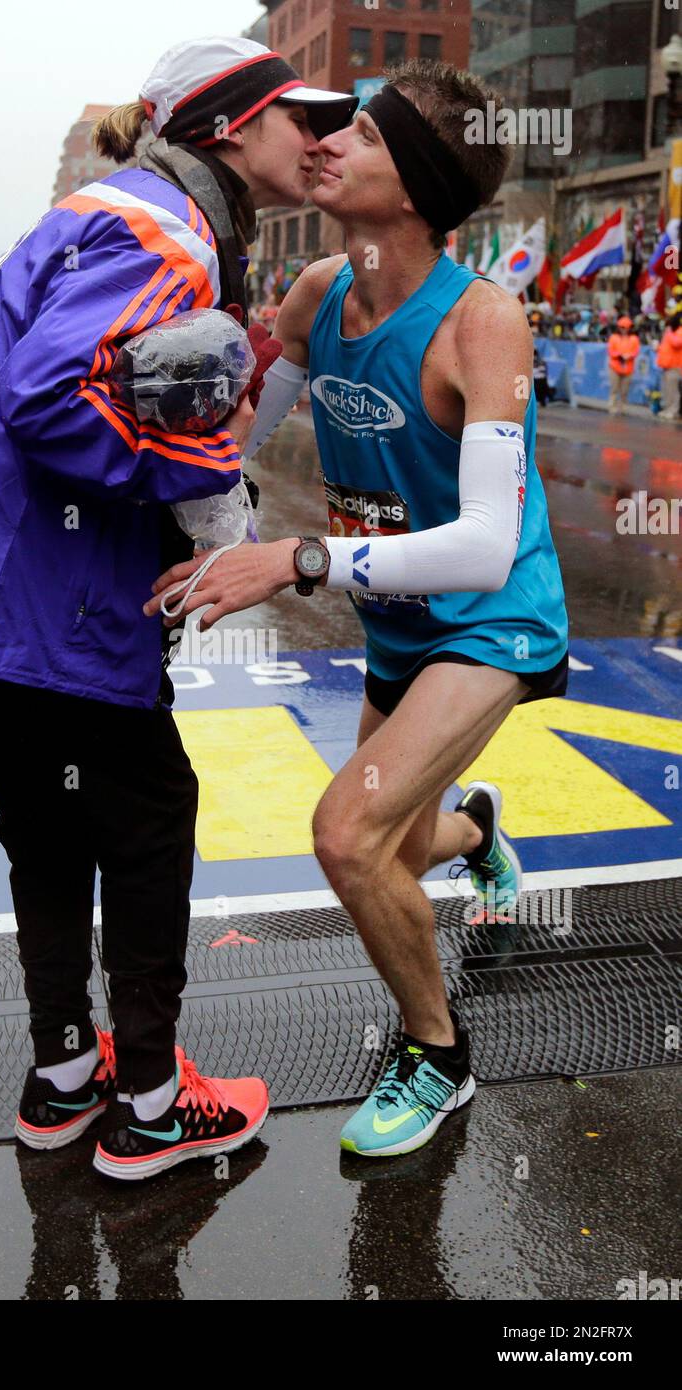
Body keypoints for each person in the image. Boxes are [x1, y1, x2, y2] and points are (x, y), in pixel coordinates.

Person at [0, 36, 357, 1181]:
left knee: (48, 831)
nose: (315, 135)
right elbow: (56, 398)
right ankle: (153, 1104)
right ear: (225, 126)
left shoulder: (118, 206)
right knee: (151, 813)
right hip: (30, 593)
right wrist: (204, 494)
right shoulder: (162, 224)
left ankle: (63, 1075)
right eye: (293, 113)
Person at [147, 57, 569, 1159]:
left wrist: (293, 558)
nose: (329, 144)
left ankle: (437, 1055)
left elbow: (480, 547)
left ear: (417, 189)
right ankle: (479, 830)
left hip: (489, 620)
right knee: (394, 835)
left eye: (367, 139)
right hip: (396, 620)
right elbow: (222, 456)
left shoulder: (483, 321)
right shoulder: (311, 297)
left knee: (345, 833)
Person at [656, 311, 682, 421]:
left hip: (675, 365)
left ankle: (673, 411)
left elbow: (677, 343)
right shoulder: (672, 331)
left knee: (674, 390)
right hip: (667, 365)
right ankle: (668, 409)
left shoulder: (678, 331)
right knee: (667, 389)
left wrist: (669, 333)